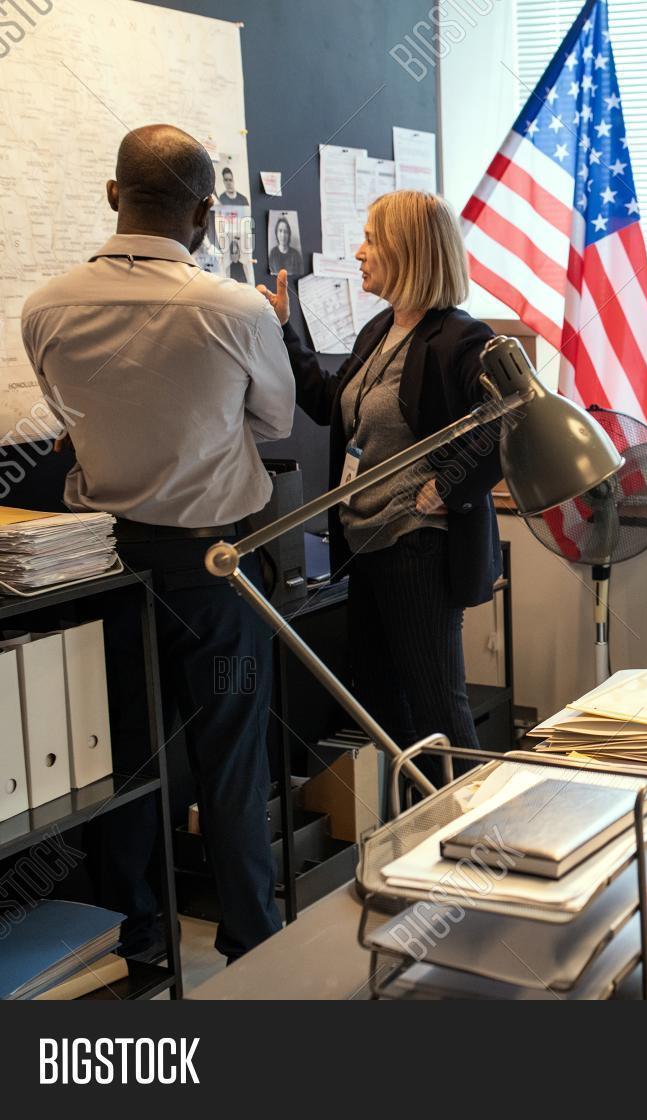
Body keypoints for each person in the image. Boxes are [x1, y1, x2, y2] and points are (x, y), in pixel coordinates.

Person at [21, 124, 294, 962]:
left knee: (127, 763)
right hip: (216, 577)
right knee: (232, 757)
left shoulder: (45, 308)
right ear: (206, 212)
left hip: (109, 574)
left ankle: (137, 940)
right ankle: (252, 941)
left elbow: (68, 421)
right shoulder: (239, 309)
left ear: (113, 195)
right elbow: (275, 421)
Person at [258, 190, 501, 789]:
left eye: (371, 238)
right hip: (366, 544)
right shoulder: (380, 329)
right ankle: (428, 823)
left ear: (406, 249)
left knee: (439, 710)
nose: (359, 251)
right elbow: (328, 403)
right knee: (380, 707)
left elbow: (508, 423)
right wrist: (285, 331)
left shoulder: (461, 339)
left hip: (417, 546)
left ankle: (479, 833)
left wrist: (449, 485)